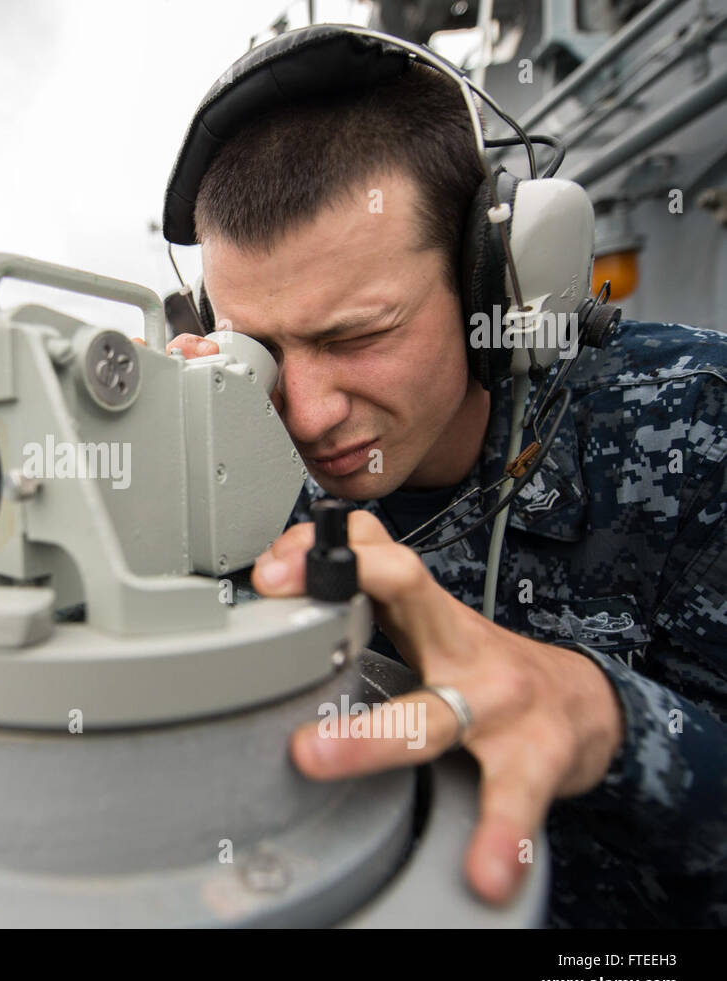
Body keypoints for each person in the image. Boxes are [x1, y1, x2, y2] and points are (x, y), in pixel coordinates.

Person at [164, 37, 727, 928]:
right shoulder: (240, 452)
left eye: (356, 337)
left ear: (492, 289)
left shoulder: (698, 420)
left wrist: (596, 714)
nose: (305, 415)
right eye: (261, 351)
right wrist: (175, 475)